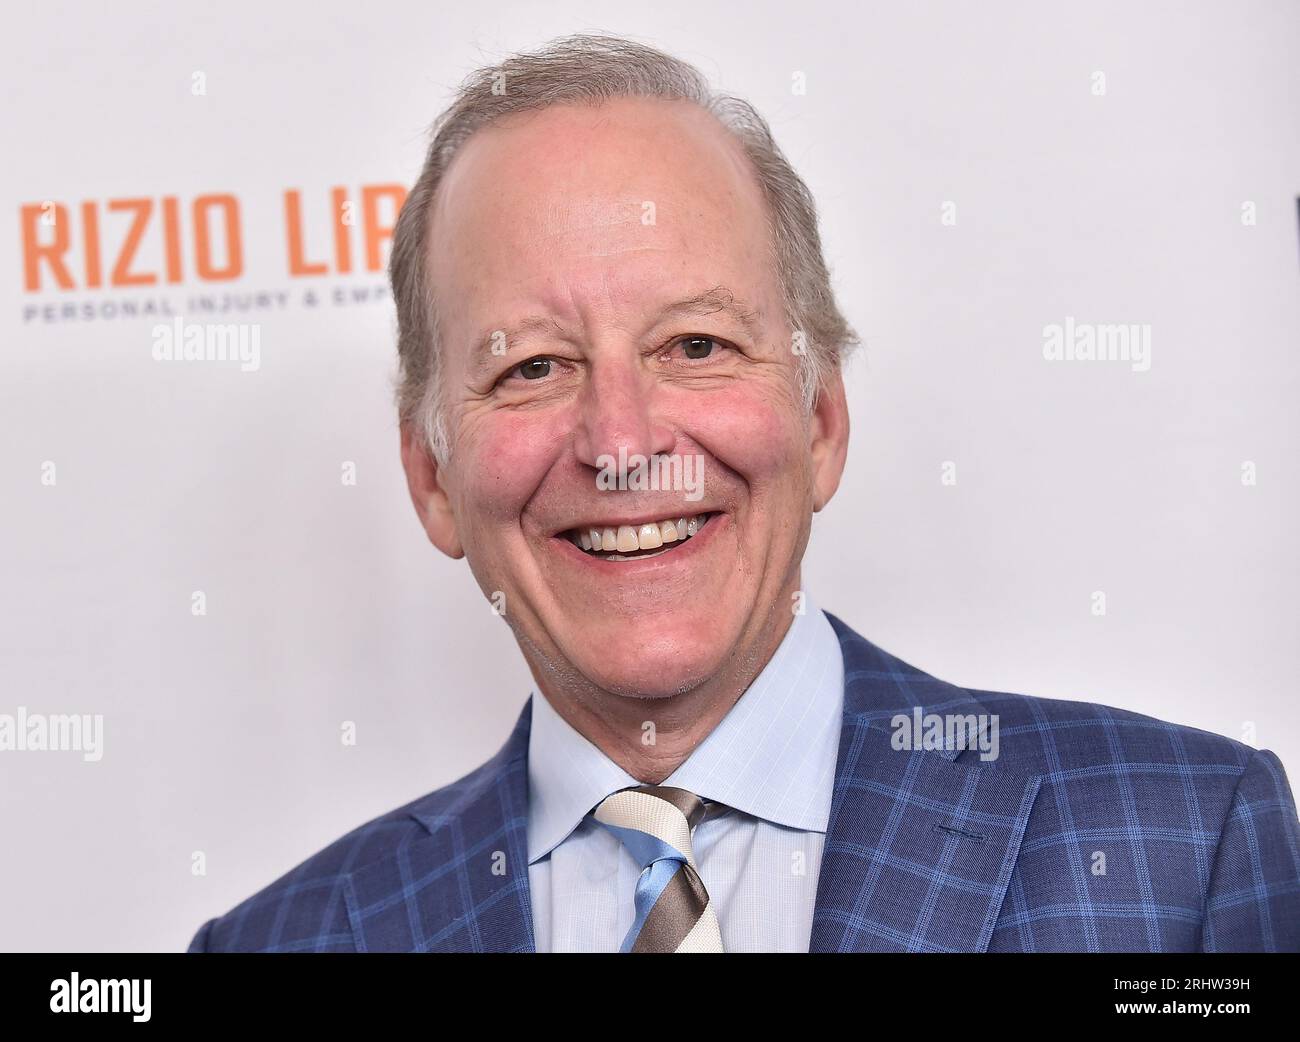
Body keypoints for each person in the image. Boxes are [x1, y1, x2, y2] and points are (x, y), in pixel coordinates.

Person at [188, 33, 1299, 953]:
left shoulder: (1179, 852)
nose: (621, 444)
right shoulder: (284, 941)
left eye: (697, 343)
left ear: (820, 421)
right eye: (531, 365)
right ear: (431, 476)